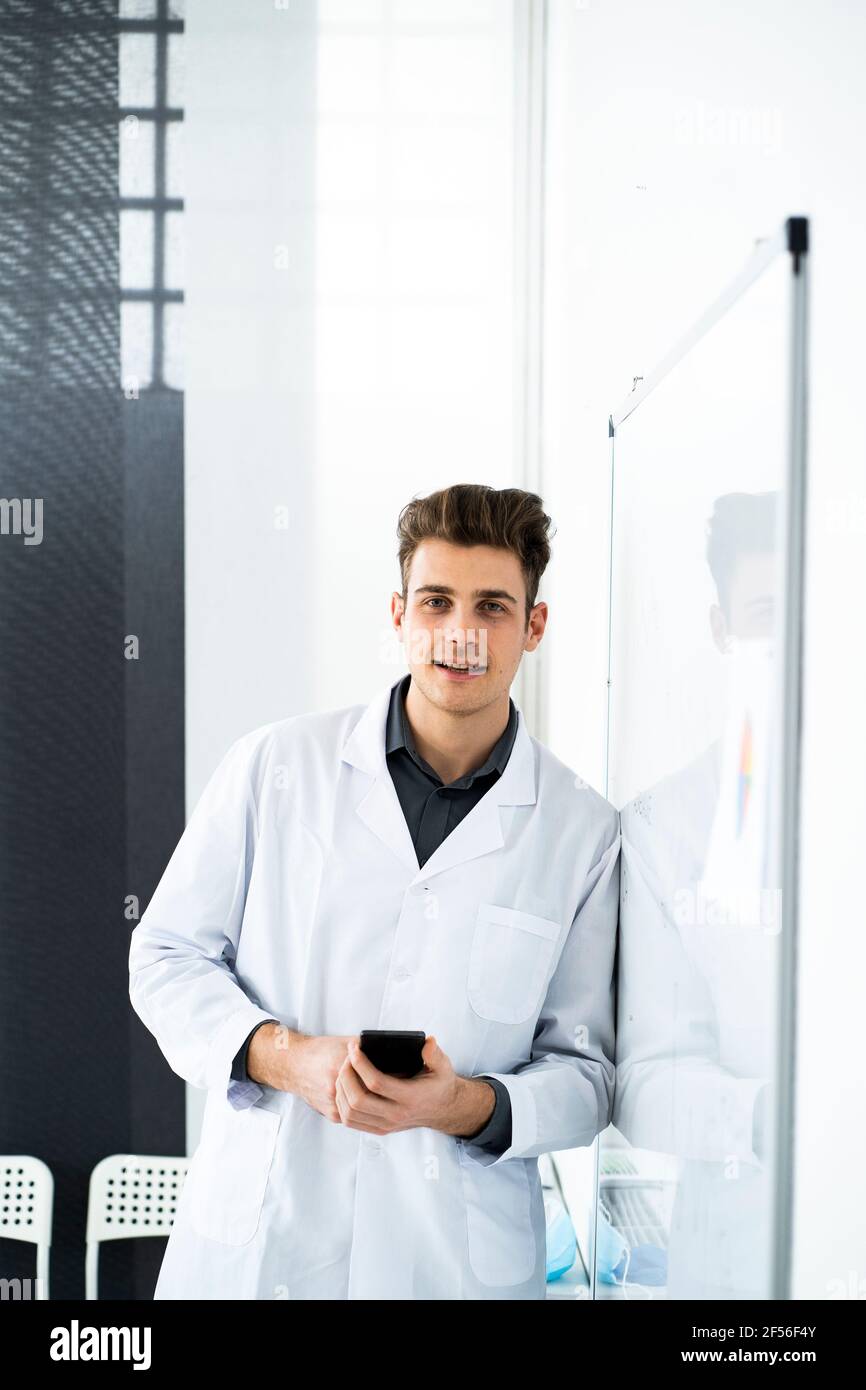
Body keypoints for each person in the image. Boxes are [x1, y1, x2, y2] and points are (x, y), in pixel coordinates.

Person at [128, 482, 621, 1300]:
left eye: (493, 607)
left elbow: (586, 1075)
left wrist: (459, 1104)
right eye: (437, 602)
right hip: (267, 1246)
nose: (461, 634)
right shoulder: (275, 767)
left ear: (534, 627)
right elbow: (166, 956)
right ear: (399, 615)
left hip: (453, 1265)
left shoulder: (582, 833)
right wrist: (286, 1059)